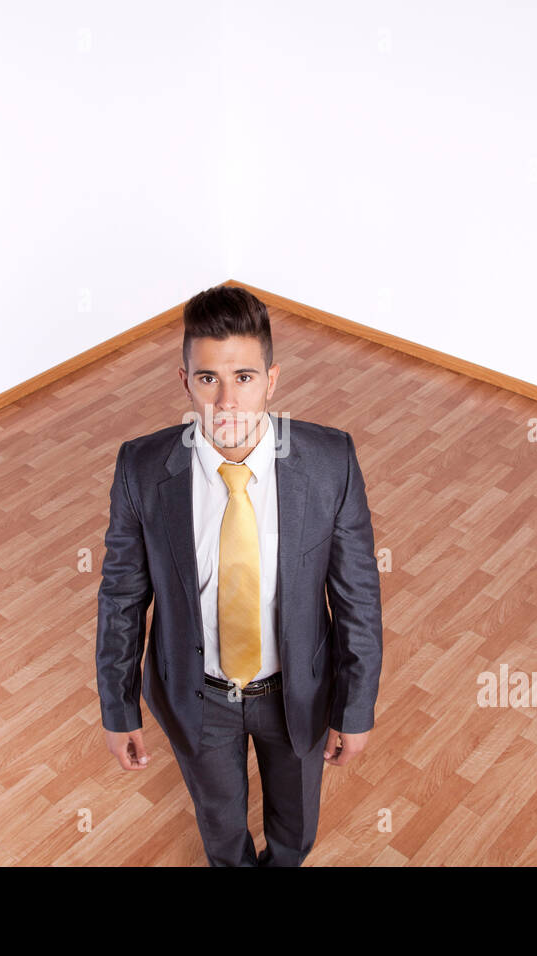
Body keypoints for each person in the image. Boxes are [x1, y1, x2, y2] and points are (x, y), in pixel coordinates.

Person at [95, 284, 383, 866]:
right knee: (222, 832)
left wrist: (355, 709)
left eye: (245, 378)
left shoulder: (331, 463)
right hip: (197, 697)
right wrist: (118, 705)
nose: (227, 400)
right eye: (208, 379)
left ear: (271, 381)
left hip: (296, 694)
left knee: (295, 829)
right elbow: (122, 597)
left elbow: (358, 600)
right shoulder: (141, 468)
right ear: (185, 381)